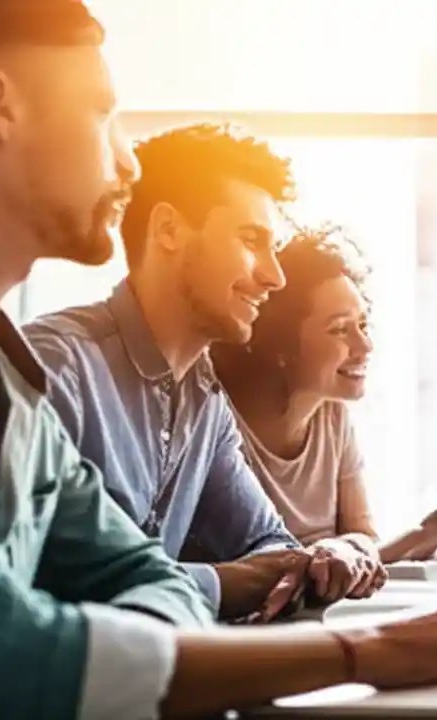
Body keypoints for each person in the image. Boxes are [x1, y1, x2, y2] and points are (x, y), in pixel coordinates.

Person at [0, 2, 437, 718]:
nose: (127, 162)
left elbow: (149, 576)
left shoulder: (12, 386)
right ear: (2, 104)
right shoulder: (49, 369)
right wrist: (361, 652)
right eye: (101, 114)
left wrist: (112, 640)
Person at [23, 122, 386, 621]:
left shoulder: (204, 400)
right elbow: (39, 582)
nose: (275, 277)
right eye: (251, 240)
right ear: (168, 230)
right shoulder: (55, 369)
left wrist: (313, 563)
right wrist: (222, 583)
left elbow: (268, 545)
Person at [212, 227, 437, 562]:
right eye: (340, 329)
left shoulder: (332, 414)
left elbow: (363, 538)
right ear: (280, 342)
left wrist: (420, 537)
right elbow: (259, 567)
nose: (365, 346)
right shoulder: (220, 424)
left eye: (363, 326)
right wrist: (418, 537)